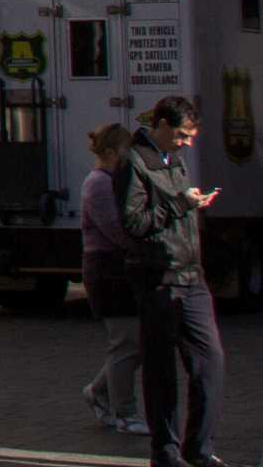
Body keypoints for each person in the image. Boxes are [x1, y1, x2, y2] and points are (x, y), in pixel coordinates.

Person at [121, 94, 225, 467]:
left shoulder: (172, 158)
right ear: (162, 125)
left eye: (190, 136)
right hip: (158, 278)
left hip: (191, 275)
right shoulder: (134, 161)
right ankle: (165, 453)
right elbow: (133, 222)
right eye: (182, 135)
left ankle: (199, 449)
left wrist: (192, 202)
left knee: (209, 363)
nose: (187, 142)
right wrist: (181, 204)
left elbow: (173, 206)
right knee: (161, 369)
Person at [80, 123, 145, 437]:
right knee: (126, 342)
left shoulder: (114, 180)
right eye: (124, 151)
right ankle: (125, 412)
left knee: (136, 342)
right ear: (109, 152)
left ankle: (99, 390)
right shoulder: (99, 184)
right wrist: (149, 243)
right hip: (108, 270)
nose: (129, 157)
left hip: (120, 268)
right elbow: (116, 230)